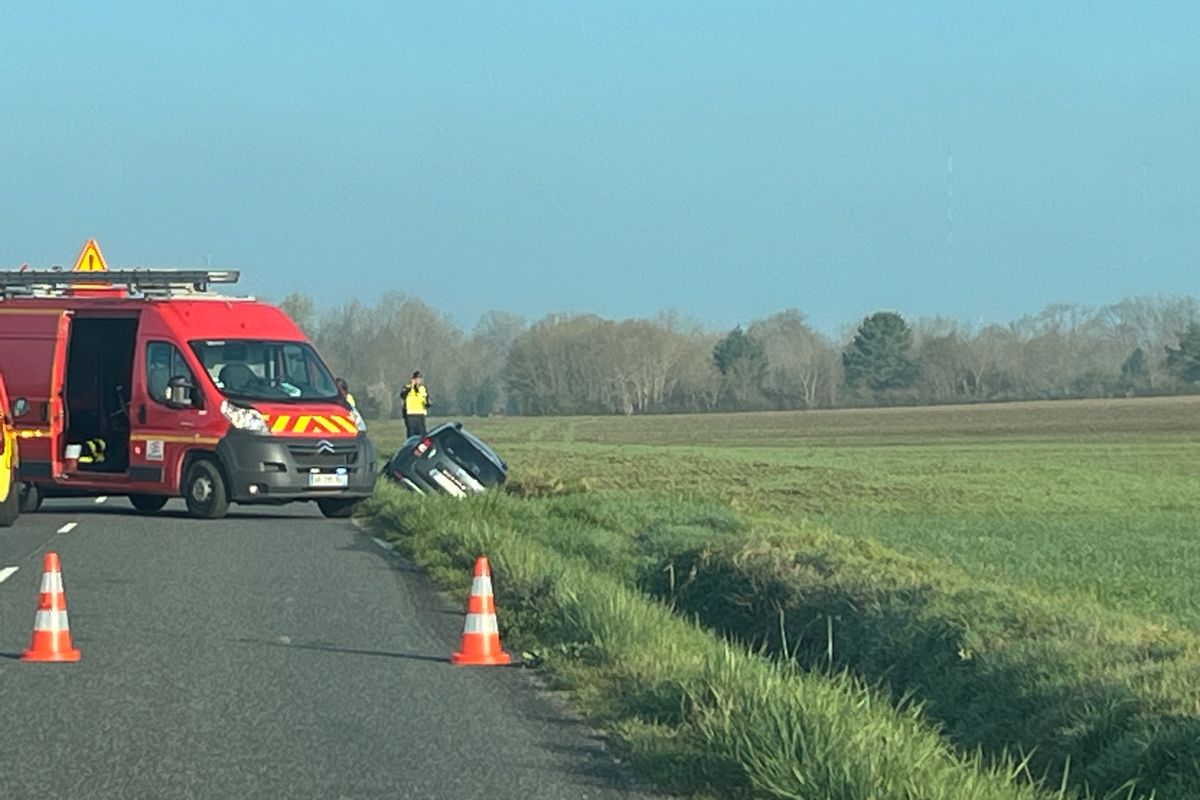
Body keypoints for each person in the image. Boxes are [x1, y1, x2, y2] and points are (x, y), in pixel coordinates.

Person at [401, 370, 430, 437]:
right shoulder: (407, 387)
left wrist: (428, 403)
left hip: (421, 415)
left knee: (422, 435)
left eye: (420, 378)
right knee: (412, 434)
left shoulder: (423, 388)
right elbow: (402, 395)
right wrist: (412, 386)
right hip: (411, 415)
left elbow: (426, 399)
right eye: (417, 378)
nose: (418, 380)